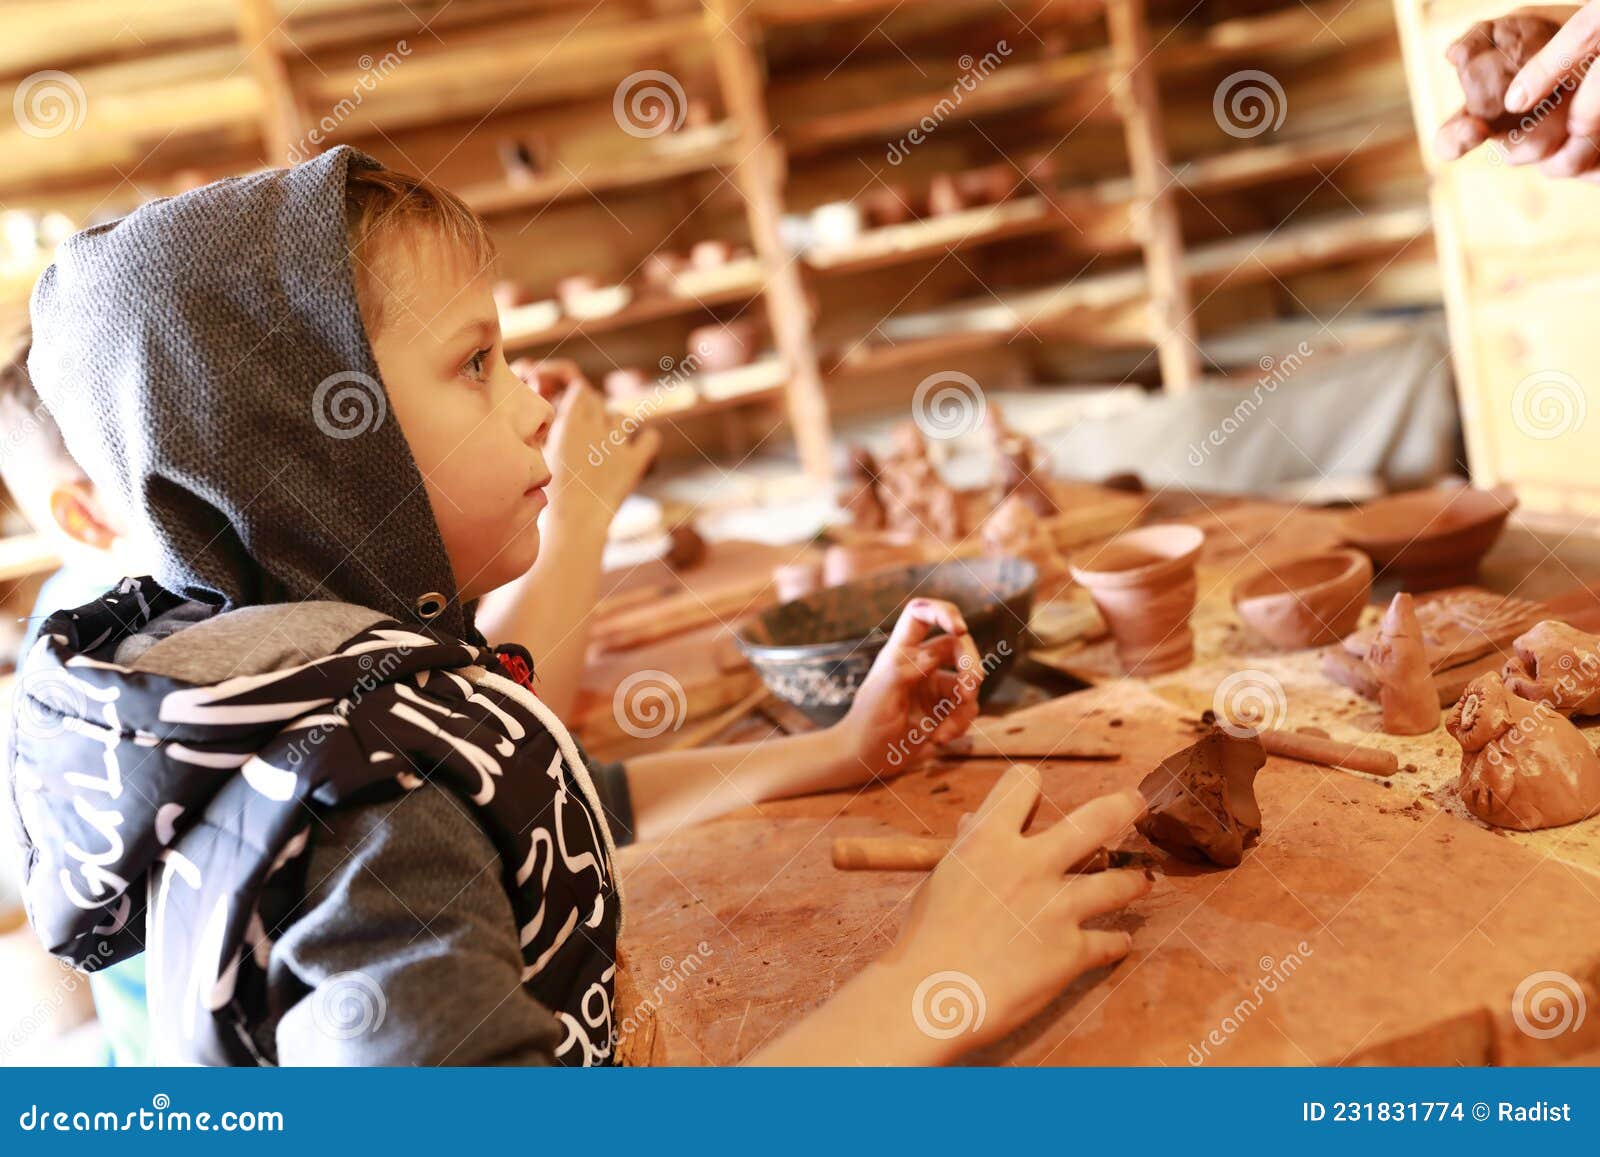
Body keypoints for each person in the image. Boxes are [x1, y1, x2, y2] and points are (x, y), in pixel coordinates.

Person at [8, 148, 1147, 1066]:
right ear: (314, 453)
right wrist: (935, 983)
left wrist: (840, 752)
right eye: (476, 363)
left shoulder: (270, 677)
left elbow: (542, 805)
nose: (534, 398)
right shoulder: (371, 815)